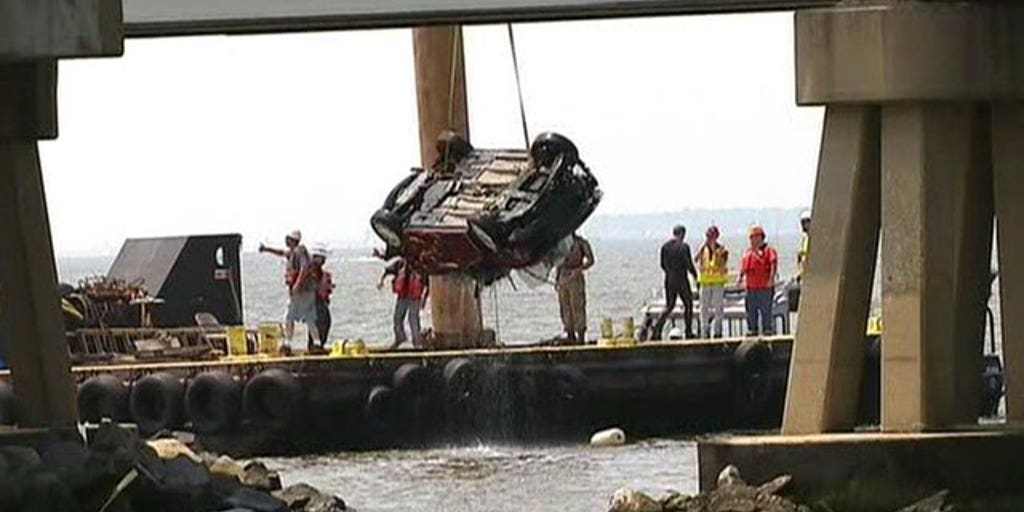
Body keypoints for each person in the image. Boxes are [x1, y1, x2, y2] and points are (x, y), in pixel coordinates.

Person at [259, 230, 317, 352]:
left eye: (288, 239)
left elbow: (304, 268)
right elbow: (281, 253)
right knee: (303, 317)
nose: (286, 241)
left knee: (296, 316)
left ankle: (291, 343)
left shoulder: (300, 251)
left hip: (303, 291)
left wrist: (297, 284)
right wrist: (266, 249)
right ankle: (310, 343)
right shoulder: (293, 252)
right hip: (300, 291)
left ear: (293, 240)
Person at [653, 225, 699, 340]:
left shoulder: (665, 247)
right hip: (681, 280)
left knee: (669, 306)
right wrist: (695, 276)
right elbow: (689, 264)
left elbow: (662, 265)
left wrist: (670, 272)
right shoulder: (684, 247)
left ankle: (657, 328)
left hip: (669, 280)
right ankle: (688, 331)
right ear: (682, 234)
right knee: (688, 304)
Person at [378, 257, 429, 350]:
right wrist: (381, 281)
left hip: (414, 297)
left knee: (413, 319)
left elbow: (427, 283)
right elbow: (387, 270)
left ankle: (417, 342)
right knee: (397, 318)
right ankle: (400, 338)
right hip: (403, 296)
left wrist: (424, 298)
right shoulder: (400, 263)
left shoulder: (421, 266)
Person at [738, 225, 779, 337]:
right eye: (751, 237)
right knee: (751, 311)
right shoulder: (748, 253)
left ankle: (767, 330)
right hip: (751, 288)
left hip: (764, 288)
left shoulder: (769, 251)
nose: (752, 240)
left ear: (761, 237)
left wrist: (771, 279)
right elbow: (743, 268)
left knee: (766, 311)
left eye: (754, 237)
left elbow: (773, 264)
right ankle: (752, 330)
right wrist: (740, 279)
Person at [555, 233, 595, 344]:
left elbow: (591, 260)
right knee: (564, 305)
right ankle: (570, 333)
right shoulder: (561, 244)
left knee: (577, 305)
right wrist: (557, 279)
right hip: (563, 276)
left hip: (575, 276)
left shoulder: (581, 242)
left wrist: (579, 270)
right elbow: (559, 262)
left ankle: (581, 334)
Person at [695, 225, 729, 338]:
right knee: (704, 308)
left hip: (717, 282)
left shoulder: (722, 249)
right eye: (709, 236)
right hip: (705, 283)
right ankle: (705, 331)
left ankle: (718, 331)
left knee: (718, 308)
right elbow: (696, 259)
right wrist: (703, 247)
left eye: (712, 236)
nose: (710, 239)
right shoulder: (703, 250)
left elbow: (721, 260)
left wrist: (713, 248)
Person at [298, 245, 334, 351]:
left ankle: (316, 347)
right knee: (321, 323)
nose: (324, 261)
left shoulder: (317, 271)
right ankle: (315, 348)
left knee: (320, 325)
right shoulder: (311, 271)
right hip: (314, 303)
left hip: (317, 303)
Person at [796, 210, 811, 281]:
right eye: (804, 223)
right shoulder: (804, 238)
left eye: (807, 222)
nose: (806, 225)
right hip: (804, 270)